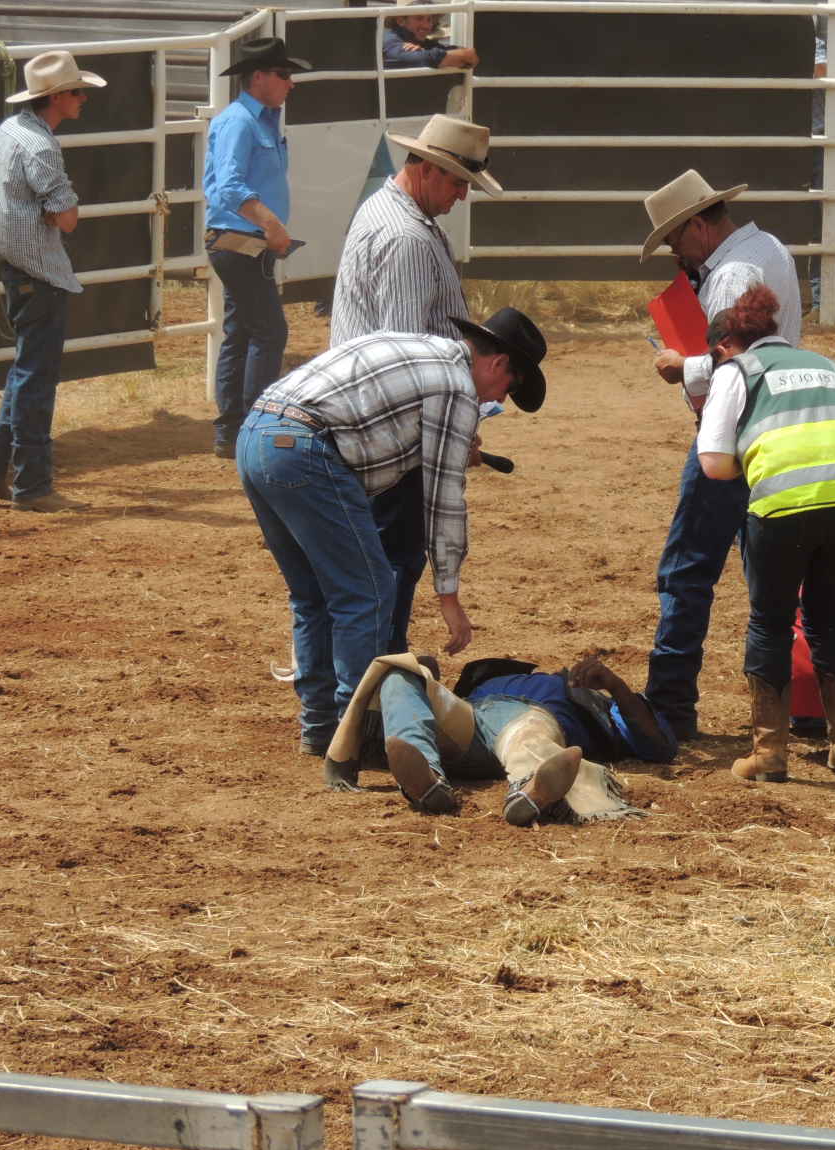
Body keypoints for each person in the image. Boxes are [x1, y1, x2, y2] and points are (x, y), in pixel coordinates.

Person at [236, 308, 547, 762]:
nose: (498, 397)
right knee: (368, 589)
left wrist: (455, 445)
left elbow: (373, 423)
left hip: (258, 435)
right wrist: (449, 595)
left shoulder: (416, 347)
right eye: (509, 387)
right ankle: (356, 730)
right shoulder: (458, 387)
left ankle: (321, 727)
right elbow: (442, 500)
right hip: (306, 449)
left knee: (314, 595)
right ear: (497, 365)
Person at [331, 115, 507, 657]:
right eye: (456, 182)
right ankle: (379, 672)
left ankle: (371, 671)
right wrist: (451, 429)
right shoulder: (406, 236)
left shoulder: (394, 214)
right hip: (392, 431)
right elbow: (405, 357)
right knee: (395, 555)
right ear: (427, 170)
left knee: (385, 558)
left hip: (370, 420)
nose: (460, 195)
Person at [637, 170, 802, 740]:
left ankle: (669, 703)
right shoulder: (768, 249)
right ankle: (795, 702)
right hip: (776, 433)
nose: (677, 255)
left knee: (687, 566)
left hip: (733, 430)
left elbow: (735, 363)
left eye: (676, 241)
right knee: (770, 571)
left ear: (699, 227)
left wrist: (679, 367)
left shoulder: (730, 273)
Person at [695, 283, 835, 783]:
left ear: (723, 347)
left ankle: (770, 753)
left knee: (770, 621)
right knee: (825, 612)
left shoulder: (737, 372)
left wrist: (749, 463)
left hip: (783, 505)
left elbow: (712, 464)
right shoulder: (834, 367)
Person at [0, 50, 107, 514]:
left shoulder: (12, 131)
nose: (82, 98)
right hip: (38, 273)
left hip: (17, 269)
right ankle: (32, 485)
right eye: (77, 91)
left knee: (27, 370)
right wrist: (59, 211)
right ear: (57, 97)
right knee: (36, 377)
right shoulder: (42, 146)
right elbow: (66, 218)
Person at [325, 654, 676, 821]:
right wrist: (424, 673)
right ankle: (426, 778)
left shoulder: (594, 702)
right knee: (399, 675)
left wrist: (615, 686)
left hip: (527, 720)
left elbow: (659, 746)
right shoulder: (480, 683)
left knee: (530, 733)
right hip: (470, 719)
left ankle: (530, 790)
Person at [203, 37, 310, 459]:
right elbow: (229, 186)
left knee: (244, 331)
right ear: (259, 77)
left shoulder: (258, 120)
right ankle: (254, 427)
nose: (290, 84)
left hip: (242, 241)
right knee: (269, 330)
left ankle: (232, 431)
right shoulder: (241, 122)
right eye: (284, 75)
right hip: (241, 241)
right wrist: (271, 224)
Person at [382, 0, 479, 70]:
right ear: (401, 21)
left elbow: (472, 56)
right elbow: (407, 58)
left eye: (429, 20)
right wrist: (461, 56)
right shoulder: (391, 40)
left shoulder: (424, 43)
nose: (426, 25)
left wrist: (465, 54)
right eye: (419, 18)